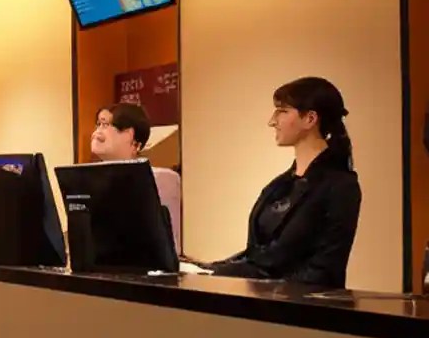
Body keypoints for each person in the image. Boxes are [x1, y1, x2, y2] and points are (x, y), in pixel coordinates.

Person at [211, 77, 361, 288]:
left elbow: (324, 270)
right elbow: (256, 256)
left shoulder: (340, 186)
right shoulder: (279, 186)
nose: (272, 121)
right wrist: (209, 271)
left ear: (310, 119)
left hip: (305, 311)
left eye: (282, 111)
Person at [89, 103, 182, 252]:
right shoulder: (86, 177)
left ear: (131, 138)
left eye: (106, 125)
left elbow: (169, 246)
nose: (97, 132)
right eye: (98, 124)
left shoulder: (161, 179)